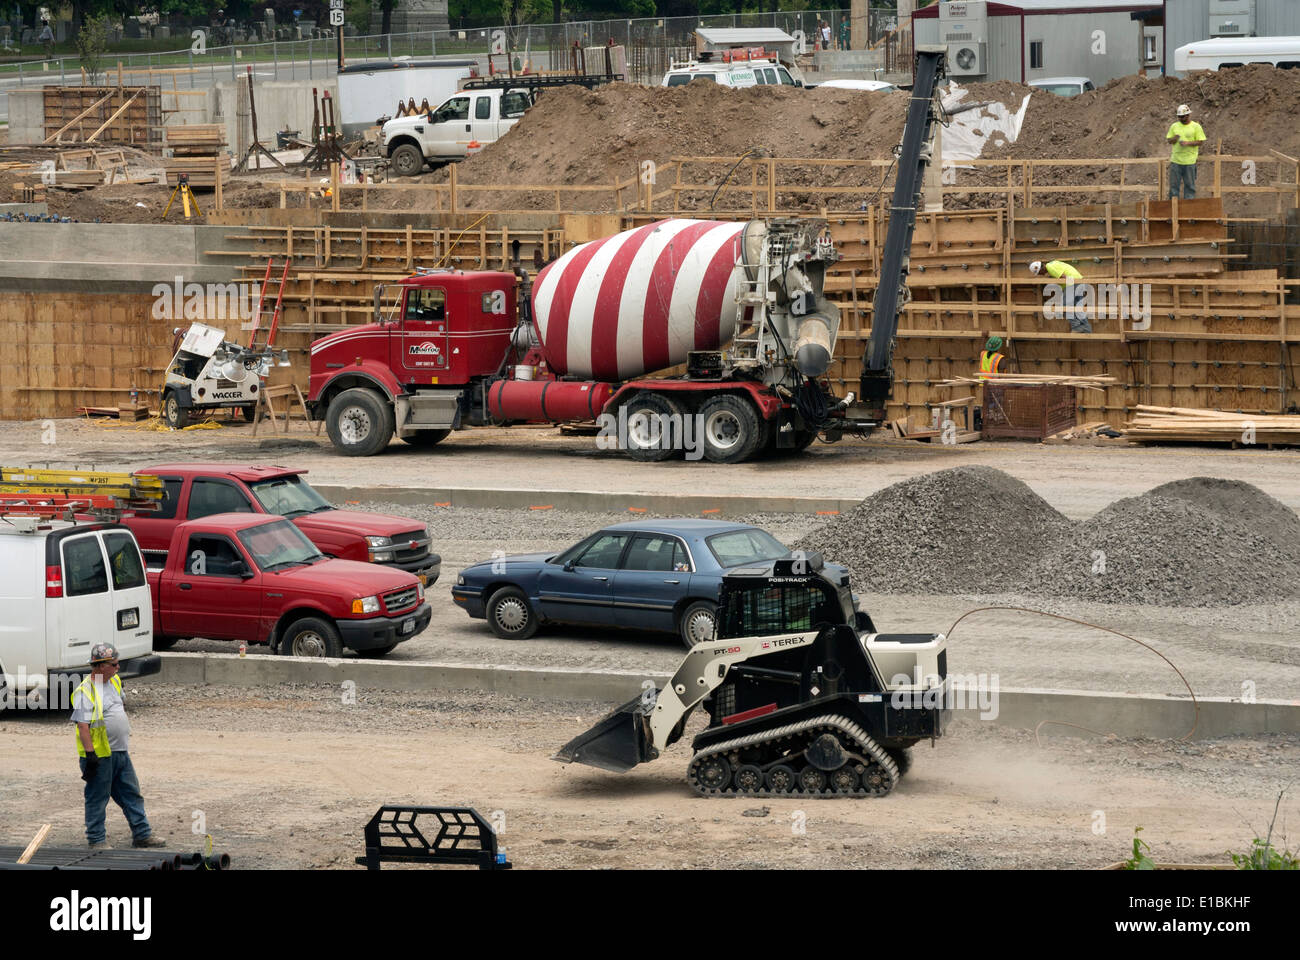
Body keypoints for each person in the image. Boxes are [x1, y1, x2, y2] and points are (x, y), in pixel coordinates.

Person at [71, 644, 166, 850]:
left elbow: (118, 707)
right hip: (100, 755)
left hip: (120, 752)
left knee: (131, 794)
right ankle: (96, 839)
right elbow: (83, 726)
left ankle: (142, 834)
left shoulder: (114, 680)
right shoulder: (85, 691)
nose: (118, 667)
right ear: (99, 666)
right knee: (98, 797)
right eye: (113, 664)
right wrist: (90, 756)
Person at [1030, 259, 1091, 333]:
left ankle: (1077, 327)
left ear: (1041, 269)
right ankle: (1086, 328)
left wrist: (1074, 286)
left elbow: (1064, 277)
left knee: (1064, 306)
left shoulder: (1050, 267)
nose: (1040, 274)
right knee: (1078, 308)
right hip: (1079, 281)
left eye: (1039, 272)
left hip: (1072, 283)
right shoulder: (1052, 264)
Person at [1166, 103, 1206, 200]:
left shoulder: (1196, 127)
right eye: (1179, 117)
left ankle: (1188, 213)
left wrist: (1188, 143)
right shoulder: (1174, 126)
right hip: (1176, 161)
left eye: (1182, 117)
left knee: (1189, 188)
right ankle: (1173, 212)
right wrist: (1174, 138)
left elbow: (1200, 141)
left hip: (1190, 162)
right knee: (1173, 188)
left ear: (1188, 115)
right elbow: (1169, 140)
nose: (1180, 119)